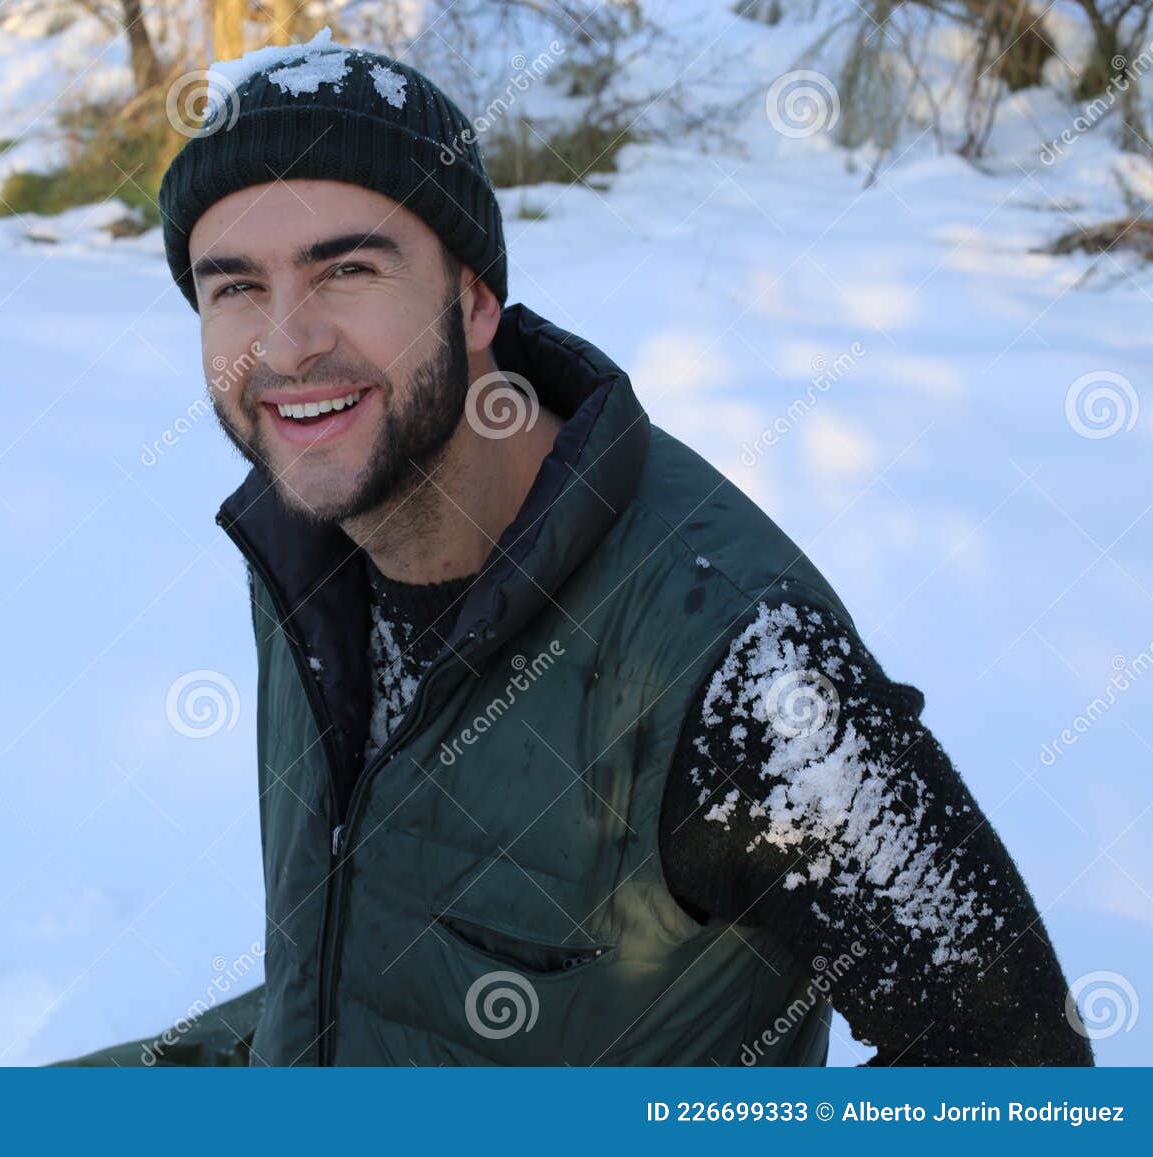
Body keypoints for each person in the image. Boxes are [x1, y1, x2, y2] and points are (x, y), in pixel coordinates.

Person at [58, 31, 1090, 1067]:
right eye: (234, 286)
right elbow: (362, 957)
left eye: (348, 268)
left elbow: (1021, 1076)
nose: (285, 344)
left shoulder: (732, 653)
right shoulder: (309, 539)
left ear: (470, 298)